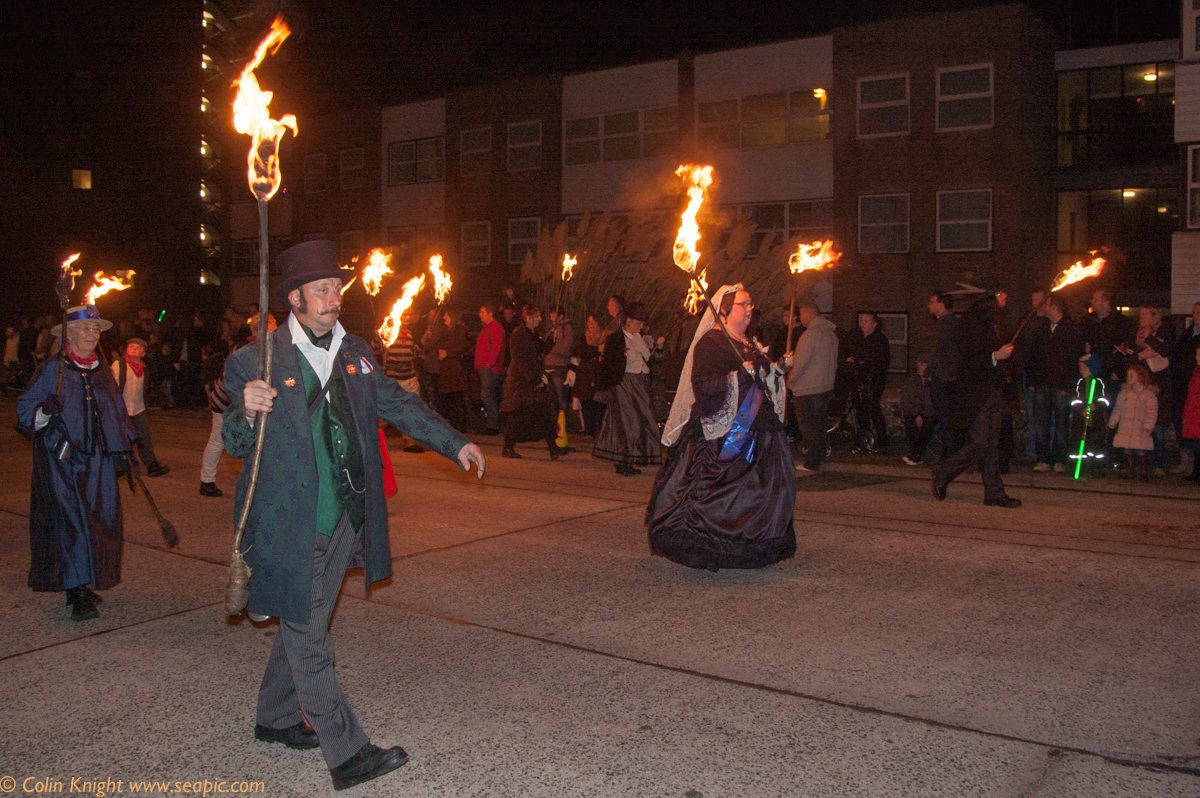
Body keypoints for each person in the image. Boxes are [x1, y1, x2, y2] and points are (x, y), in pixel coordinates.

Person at [222, 240, 485, 791]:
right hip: (290, 521)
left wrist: (454, 443)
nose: (333, 298)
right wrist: (245, 410)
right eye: (321, 289)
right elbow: (236, 444)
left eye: (336, 288)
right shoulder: (254, 360)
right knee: (310, 633)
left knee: (307, 619)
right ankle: (347, 752)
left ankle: (275, 717)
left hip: (346, 514)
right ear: (295, 299)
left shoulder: (355, 352)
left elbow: (400, 404)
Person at [648, 284, 796, 570]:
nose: (749, 309)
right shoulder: (712, 343)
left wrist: (777, 368)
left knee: (767, 486)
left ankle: (757, 540)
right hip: (728, 430)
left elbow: (761, 376)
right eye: (743, 304)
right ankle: (709, 541)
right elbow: (703, 385)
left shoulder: (748, 342)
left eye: (751, 304)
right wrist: (736, 375)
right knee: (724, 488)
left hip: (760, 425)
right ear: (724, 311)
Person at [16, 305, 135, 620]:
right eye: (85, 328)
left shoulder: (102, 369)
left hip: (99, 462)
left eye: (95, 329)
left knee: (99, 520)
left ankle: (87, 579)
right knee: (71, 523)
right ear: (68, 334)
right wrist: (45, 409)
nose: (92, 334)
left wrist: (124, 450)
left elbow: (116, 410)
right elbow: (25, 410)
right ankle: (75, 589)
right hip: (63, 462)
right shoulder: (52, 370)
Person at [931, 290, 1022, 508]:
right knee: (981, 442)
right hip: (976, 394)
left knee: (992, 445)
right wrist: (994, 356)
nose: (1005, 298)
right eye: (1000, 294)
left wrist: (1006, 363)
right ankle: (944, 470)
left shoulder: (994, 323)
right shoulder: (968, 323)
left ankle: (994, 493)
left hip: (995, 390)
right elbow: (968, 359)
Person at [592, 301, 662, 475]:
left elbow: (652, 360)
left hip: (641, 384)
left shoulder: (639, 338)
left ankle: (631, 458)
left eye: (642, 323)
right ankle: (623, 461)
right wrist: (605, 387)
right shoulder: (616, 339)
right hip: (624, 384)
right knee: (628, 423)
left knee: (644, 421)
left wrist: (659, 348)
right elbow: (607, 364)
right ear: (628, 321)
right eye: (638, 323)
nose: (640, 326)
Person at [1026, 295, 1082, 473]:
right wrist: (1032, 379)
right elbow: (1033, 356)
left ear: (1056, 307)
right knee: (1040, 423)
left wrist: (1067, 384)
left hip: (1060, 384)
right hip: (1042, 383)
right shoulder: (1042, 329)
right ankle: (1043, 458)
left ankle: (1059, 459)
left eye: (1047, 305)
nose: (1044, 308)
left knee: (1061, 423)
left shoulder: (1070, 330)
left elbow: (1073, 359)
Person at [500, 303, 561, 459]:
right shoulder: (519, 334)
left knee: (544, 411)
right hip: (520, 381)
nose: (540, 319)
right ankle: (508, 445)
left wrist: (551, 340)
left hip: (531, 379)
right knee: (517, 414)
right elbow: (520, 359)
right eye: (537, 316)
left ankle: (553, 447)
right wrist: (534, 379)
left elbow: (540, 351)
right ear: (528, 317)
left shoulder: (533, 333)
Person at [787, 302, 838, 474]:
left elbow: (801, 362)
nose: (800, 318)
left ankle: (812, 462)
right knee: (819, 425)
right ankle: (819, 457)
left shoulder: (810, 335)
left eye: (802, 314)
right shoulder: (831, 334)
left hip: (808, 387)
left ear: (810, 314)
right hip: (825, 385)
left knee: (809, 426)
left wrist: (791, 380)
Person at [112, 337, 170, 478]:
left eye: (138, 348)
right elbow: (111, 386)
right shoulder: (119, 365)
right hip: (122, 408)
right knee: (121, 437)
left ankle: (152, 465)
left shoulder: (144, 369)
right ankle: (118, 466)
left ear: (143, 354)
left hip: (138, 408)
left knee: (144, 438)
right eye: (131, 346)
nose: (134, 349)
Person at [842, 311, 890, 452]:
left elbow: (878, 362)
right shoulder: (856, 337)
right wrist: (848, 360)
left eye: (866, 321)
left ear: (874, 324)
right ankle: (863, 439)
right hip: (858, 379)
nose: (862, 323)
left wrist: (863, 364)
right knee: (860, 411)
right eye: (861, 320)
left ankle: (882, 440)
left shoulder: (879, 340)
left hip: (873, 381)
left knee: (873, 408)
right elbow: (847, 351)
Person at [1108, 364, 1158, 481]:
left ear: (1140, 377)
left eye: (1132, 376)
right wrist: (1113, 420)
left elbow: (1152, 412)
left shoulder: (1148, 394)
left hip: (1140, 427)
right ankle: (1129, 470)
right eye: (1128, 375)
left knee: (1141, 449)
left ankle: (1143, 471)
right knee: (1128, 448)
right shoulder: (1124, 393)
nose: (1128, 378)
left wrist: (1148, 425)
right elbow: (1118, 409)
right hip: (1126, 426)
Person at [1067, 353, 1111, 478]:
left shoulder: (1099, 383)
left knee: (1095, 446)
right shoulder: (1079, 383)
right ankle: (1077, 467)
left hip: (1096, 421)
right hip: (1080, 421)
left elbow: (1105, 399)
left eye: (1084, 367)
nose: (1081, 370)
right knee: (1078, 444)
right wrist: (1080, 409)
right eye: (1080, 367)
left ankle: (1096, 468)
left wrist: (1096, 405)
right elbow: (1074, 399)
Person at [926, 291, 959, 458]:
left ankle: (949, 452)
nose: (929, 306)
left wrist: (929, 371)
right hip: (950, 376)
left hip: (943, 377)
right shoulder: (953, 323)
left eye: (932, 302)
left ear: (941, 305)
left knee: (945, 415)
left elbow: (937, 351)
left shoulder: (944, 324)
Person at [1170, 302, 1200, 476]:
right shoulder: (1188, 333)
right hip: (1183, 386)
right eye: (1194, 312)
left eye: (1199, 312)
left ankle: (1194, 466)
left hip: (1194, 383)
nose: (1196, 315)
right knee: (1182, 422)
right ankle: (1187, 462)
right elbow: (1178, 355)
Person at [543, 305, 575, 444]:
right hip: (548, 366)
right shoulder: (551, 328)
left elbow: (566, 348)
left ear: (561, 316)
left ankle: (563, 427)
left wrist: (552, 350)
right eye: (550, 315)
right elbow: (544, 344)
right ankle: (552, 428)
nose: (551, 318)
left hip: (559, 367)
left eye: (554, 315)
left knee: (561, 399)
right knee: (551, 400)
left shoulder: (567, 328)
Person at [434, 308, 469, 431]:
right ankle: (452, 423)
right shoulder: (445, 330)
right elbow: (439, 344)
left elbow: (460, 347)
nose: (444, 317)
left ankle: (460, 424)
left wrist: (447, 353)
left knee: (457, 396)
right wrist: (440, 351)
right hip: (446, 369)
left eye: (446, 315)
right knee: (448, 396)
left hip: (455, 368)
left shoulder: (459, 330)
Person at [475, 304, 505, 435]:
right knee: (490, 396)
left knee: (487, 396)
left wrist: (489, 364)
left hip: (490, 369)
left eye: (482, 312)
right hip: (486, 367)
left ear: (490, 313)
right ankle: (492, 424)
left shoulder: (494, 327)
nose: (479, 314)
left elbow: (496, 347)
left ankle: (493, 425)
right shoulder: (487, 328)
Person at [900, 359, 935, 466]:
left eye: (922, 364)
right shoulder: (911, 382)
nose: (919, 367)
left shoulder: (933, 383)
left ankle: (917, 453)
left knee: (928, 424)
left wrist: (922, 415)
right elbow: (906, 400)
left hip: (930, 413)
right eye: (918, 364)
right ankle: (915, 452)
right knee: (910, 422)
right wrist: (916, 413)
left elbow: (931, 402)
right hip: (914, 412)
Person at [1179, 346, 1200, 481]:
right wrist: (1186, 416)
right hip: (1194, 415)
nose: (1197, 357)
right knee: (1196, 446)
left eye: (1199, 354)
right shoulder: (1196, 376)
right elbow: (1190, 399)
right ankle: (1196, 471)